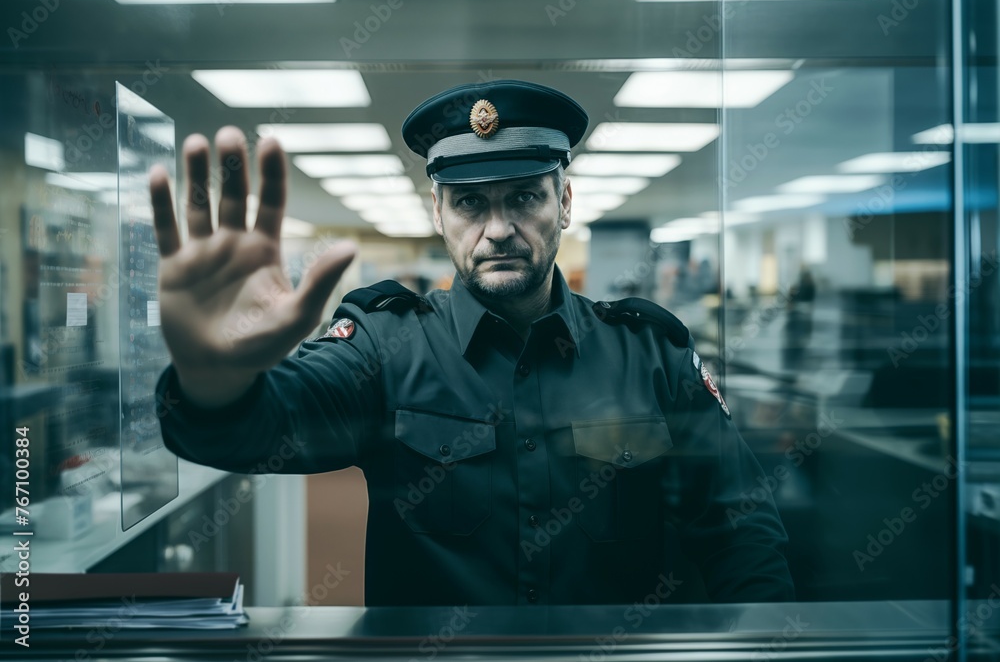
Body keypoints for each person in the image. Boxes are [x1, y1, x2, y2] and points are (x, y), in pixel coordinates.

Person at [150, 80, 794, 606]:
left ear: (564, 202)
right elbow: (259, 429)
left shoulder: (651, 353)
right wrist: (213, 378)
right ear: (438, 213)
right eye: (468, 204)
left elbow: (742, 529)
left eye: (523, 197)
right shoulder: (384, 345)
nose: (498, 229)